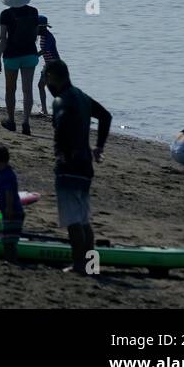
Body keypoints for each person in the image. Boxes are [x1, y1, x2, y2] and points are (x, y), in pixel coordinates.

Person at [43, 58, 112, 273]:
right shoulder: (82, 96)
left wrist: (61, 151)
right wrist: (98, 147)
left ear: (53, 77)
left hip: (69, 166)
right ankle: (92, 265)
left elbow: (62, 123)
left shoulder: (61, 100)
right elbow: (105, 116)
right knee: (83, 219)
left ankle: (79, 264)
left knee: (73, 219)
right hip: (85, 165)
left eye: (46, 77)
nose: (45, 82)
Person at [0, 0, 40, 135]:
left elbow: (3, 38)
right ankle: (26, 122)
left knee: (10, 89)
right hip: (30, 54)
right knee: (27, 90)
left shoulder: (6, 15)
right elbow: (35, 35)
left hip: (12, 55)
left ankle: (11, 121)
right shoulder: (34, 12)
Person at [0, 145, 25, 264]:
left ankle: (12, 260)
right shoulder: (5, 174)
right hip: (10, 211)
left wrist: (8, 208)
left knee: (9, 240)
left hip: (13, 212)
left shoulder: (6, 175)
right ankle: (10, 259)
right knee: (6, 238)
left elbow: (9, 192)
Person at [36, 14, 59, 116]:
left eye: (36, 27)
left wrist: (33, 55)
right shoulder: (42, 36)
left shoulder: (49, 37)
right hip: (48, 65)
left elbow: (44, 51)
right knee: (41, 85)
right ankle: (45, 110)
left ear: (42, 27)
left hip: (54, 65)